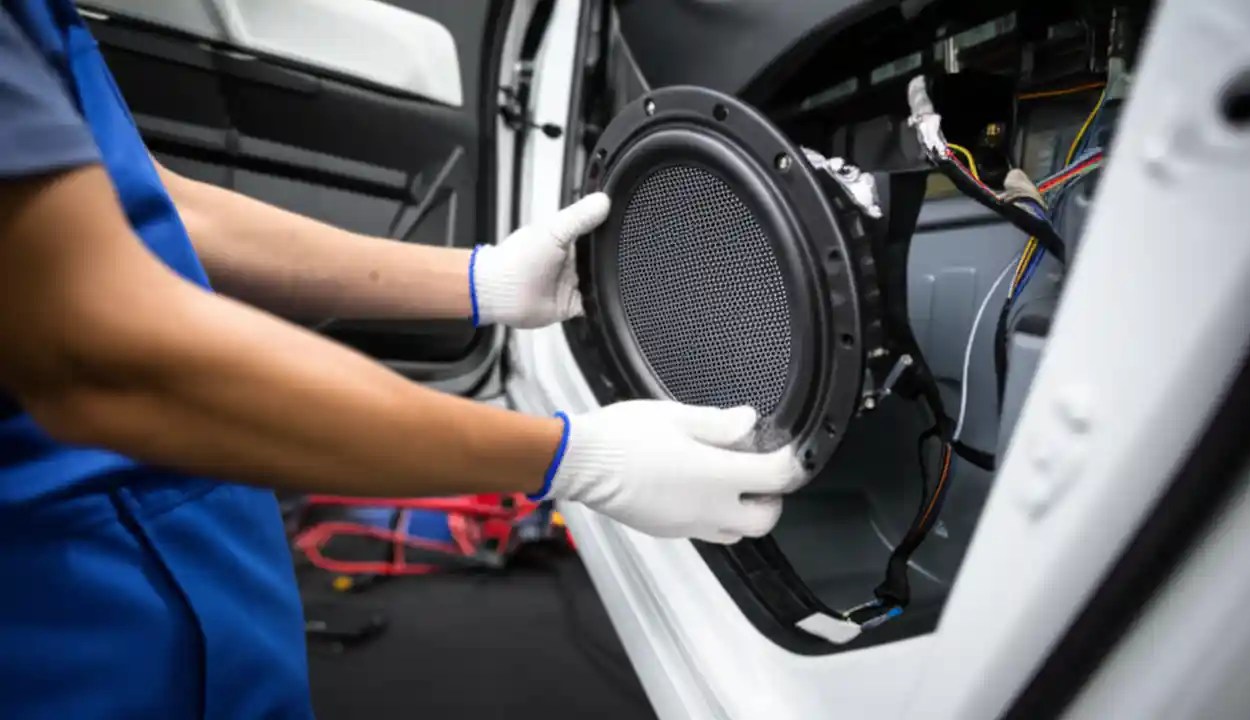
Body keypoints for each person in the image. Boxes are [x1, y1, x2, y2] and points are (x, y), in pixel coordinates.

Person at [0, 1, 805, 717]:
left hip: (195, 569)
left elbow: (151, 204)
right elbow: (103, 354)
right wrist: (569, 458)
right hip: (78, 623)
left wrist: (477, 280)